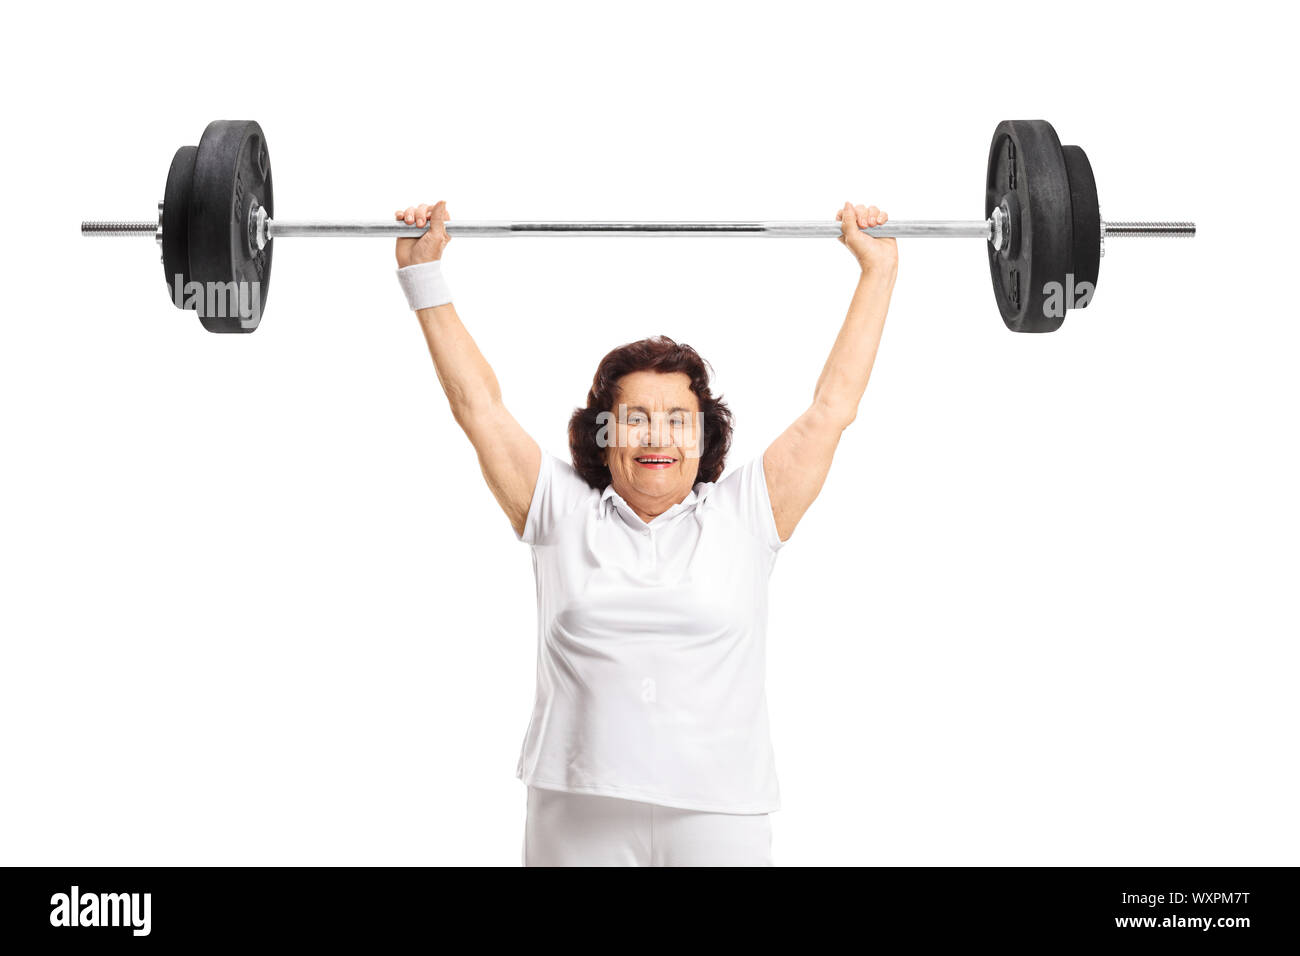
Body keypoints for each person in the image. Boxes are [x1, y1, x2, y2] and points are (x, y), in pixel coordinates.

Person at [392, 199, 897, 866]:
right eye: (634, 418)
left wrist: (878, 272)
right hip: (576, 811)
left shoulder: (748, 513)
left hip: (721, 812)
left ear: (704, 433)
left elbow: (833, 407)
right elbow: (476, 404)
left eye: (677, 419)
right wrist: (423, 274)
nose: (657, 436)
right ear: (603, 435)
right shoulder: (558, 512)